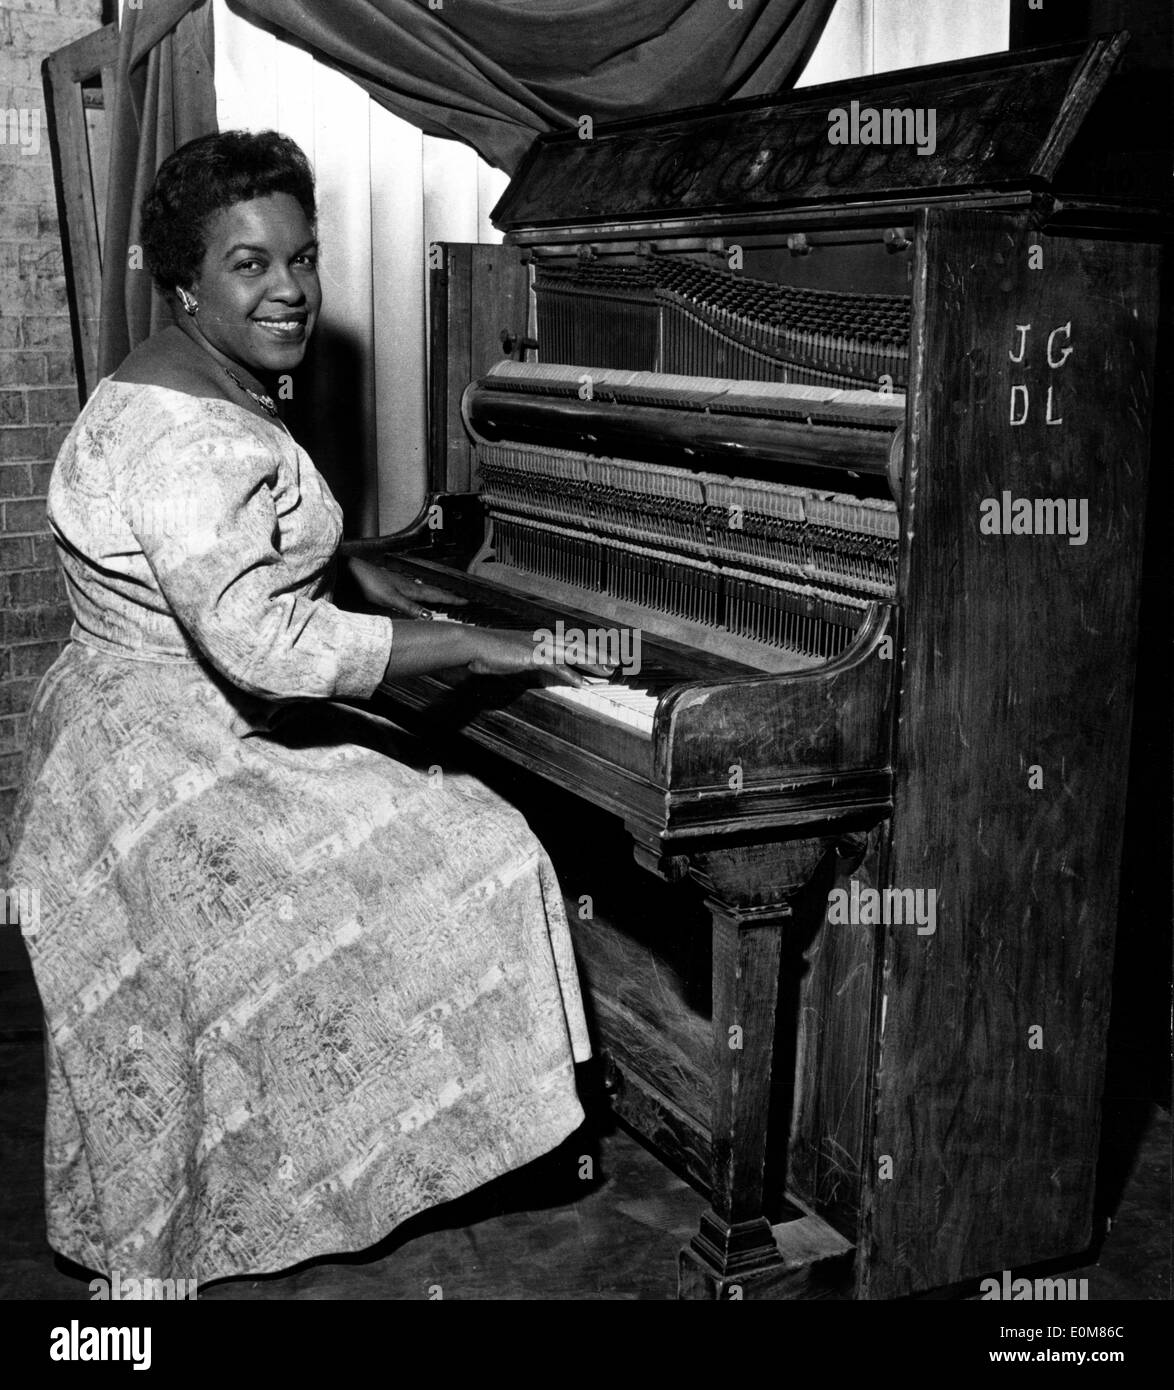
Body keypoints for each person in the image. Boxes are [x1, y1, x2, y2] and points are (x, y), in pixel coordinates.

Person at [6, 130, 592, 1288]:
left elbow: (239, 557)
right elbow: (262, 641)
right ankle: (379, 1155)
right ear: (186, 284)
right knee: (481, 846)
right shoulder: (192, 438)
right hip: (174, 758)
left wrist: (365, 570)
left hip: (127, 732)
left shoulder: (176, 376)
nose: (288, 289)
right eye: (249, 264)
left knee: (441, 808)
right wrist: (478, 639)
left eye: (302, 257)